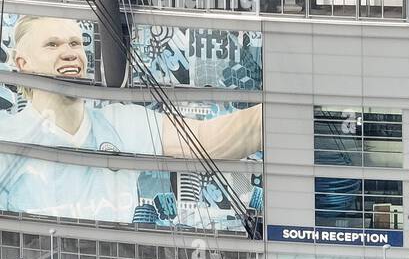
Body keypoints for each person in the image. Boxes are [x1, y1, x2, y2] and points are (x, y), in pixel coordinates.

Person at [0, 16, 263, 223]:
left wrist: (288, 106)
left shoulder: (120, 121)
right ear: (23, 63)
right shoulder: (8, 135)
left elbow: (207, 142)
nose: (70, 53)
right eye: (52, 44)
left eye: (75, 43)